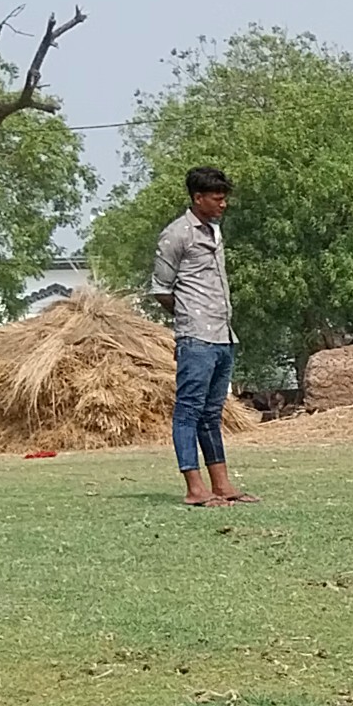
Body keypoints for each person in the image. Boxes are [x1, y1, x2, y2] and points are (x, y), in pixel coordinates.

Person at [148, 165, 253, 507]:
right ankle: (195, 488)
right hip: (196, 337)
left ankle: (221, 485)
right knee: (188, 411)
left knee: (212, 412)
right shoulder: (177, 234)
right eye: (217, 199)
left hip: (223, 336)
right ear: (198, 198)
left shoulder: (215, 232)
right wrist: (187, 320)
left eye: (225, 199)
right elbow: (161, 289)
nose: (223, 205)